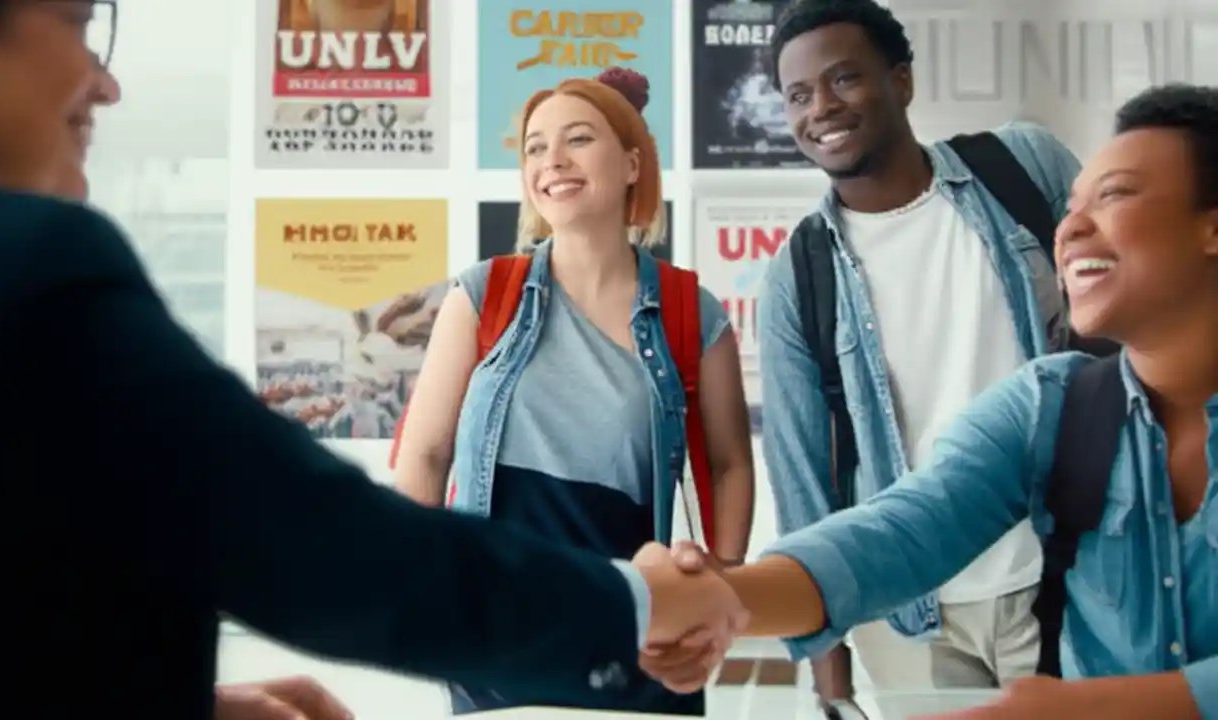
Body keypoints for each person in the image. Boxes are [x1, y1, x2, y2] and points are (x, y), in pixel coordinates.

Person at [0, 1, 747, 717]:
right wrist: (633, 606)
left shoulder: (689, 310)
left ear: (633, 162)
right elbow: (312, 539)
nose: (108, 84)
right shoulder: (32, 266)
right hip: (538, 644)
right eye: (81, 23)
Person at [647, 82, 1218, 720]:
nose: (1071, 227)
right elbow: (896, 534)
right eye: (1072, 205)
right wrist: (722, 596)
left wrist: (1086, 708)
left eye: (1114, 195)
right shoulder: (1053, 407)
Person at [391, 67, 756, 716]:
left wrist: (719, 591)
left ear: (633, 164)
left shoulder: (689, 312)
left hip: (638, 636)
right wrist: (423, 590)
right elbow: (424, 454)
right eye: (535, 147)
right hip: (496, 634)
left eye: (578, 138)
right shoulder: (482, 295)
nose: (552, 161)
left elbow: (731, 465)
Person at [755, 0, 1087, 711]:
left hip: (1064, 574)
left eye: (844, 78)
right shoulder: (799, 274)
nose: (821, 108)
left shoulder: (1022, 165)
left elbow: (1127, 313)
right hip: (906, 613)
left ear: (901, 80)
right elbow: (803, 476)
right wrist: (830, 673)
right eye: (798, 95)